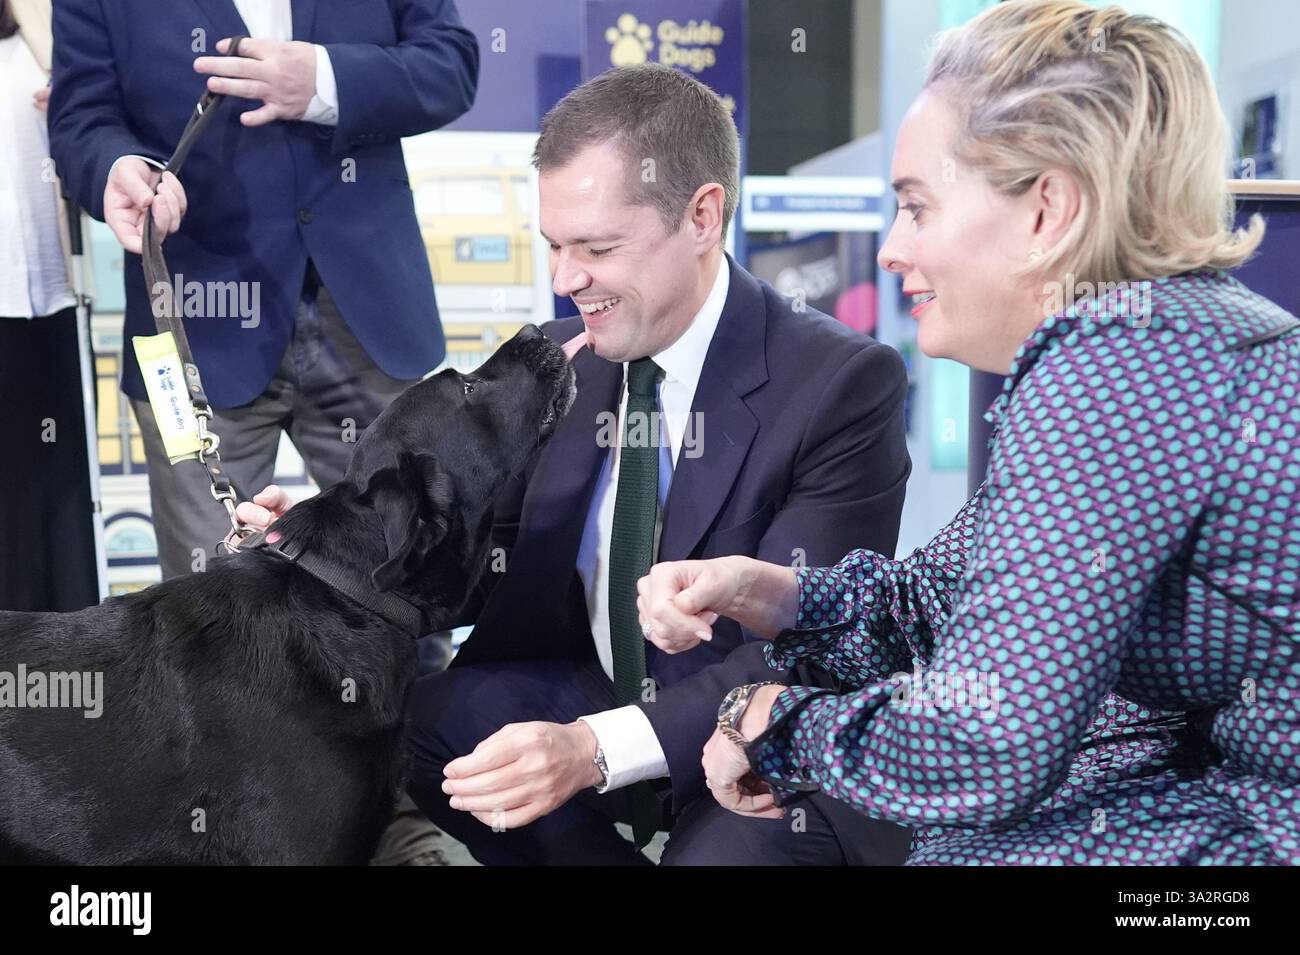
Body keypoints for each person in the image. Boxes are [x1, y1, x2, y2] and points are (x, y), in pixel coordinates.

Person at [639, 0, 1299, 865]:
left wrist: (770, 723)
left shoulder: (1116, 365)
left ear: (1047, 209)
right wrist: (779, 595)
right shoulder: (1164, 333)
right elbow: (938, 598)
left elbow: (985, 742)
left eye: (916, 207)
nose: (889, 249)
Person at [245, 63, 915, 865]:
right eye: (555, 246)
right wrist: (318, 547)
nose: (567, 280)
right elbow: (475, 563)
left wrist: (592, 749)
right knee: (431, 726)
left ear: (704, 216)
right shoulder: (567, 361)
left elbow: (803, 649)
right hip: (592, 685)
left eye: (597, 247)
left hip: (760, 729)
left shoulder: (841, 384)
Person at [47, 0, 479, 580]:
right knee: (211, 619)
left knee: (410, 581)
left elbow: (450, 65)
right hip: (193, 323)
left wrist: (325, 80)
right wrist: (115, 167)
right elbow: (81, 117)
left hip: (370, 313)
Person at [0, 0, 98, 611]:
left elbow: (97, 125)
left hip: (46, 303)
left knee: (52, 512)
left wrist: (74, 112)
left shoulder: (48, 21)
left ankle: (57, 687)